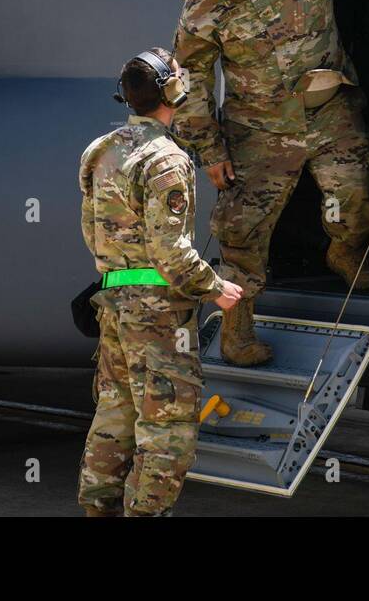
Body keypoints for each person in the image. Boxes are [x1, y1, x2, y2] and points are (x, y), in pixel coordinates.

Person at [173, 0, 369, 366]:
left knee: (360, 195)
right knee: (241, 230)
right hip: (259, 129)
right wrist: (211, 151)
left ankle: (347, 254)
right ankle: (238, 336)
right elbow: (191, 78)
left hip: (328, 110)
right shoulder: (201, 4)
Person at [77, 48, 245, 517]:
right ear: (173, 92)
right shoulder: (168, 160)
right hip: (156, 313)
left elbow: (93, 233)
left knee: (114, 416)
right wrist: (216, 288)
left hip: (112, 298)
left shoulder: (99, 151)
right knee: (167, 428)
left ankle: (98, 510)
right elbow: (171, 252)